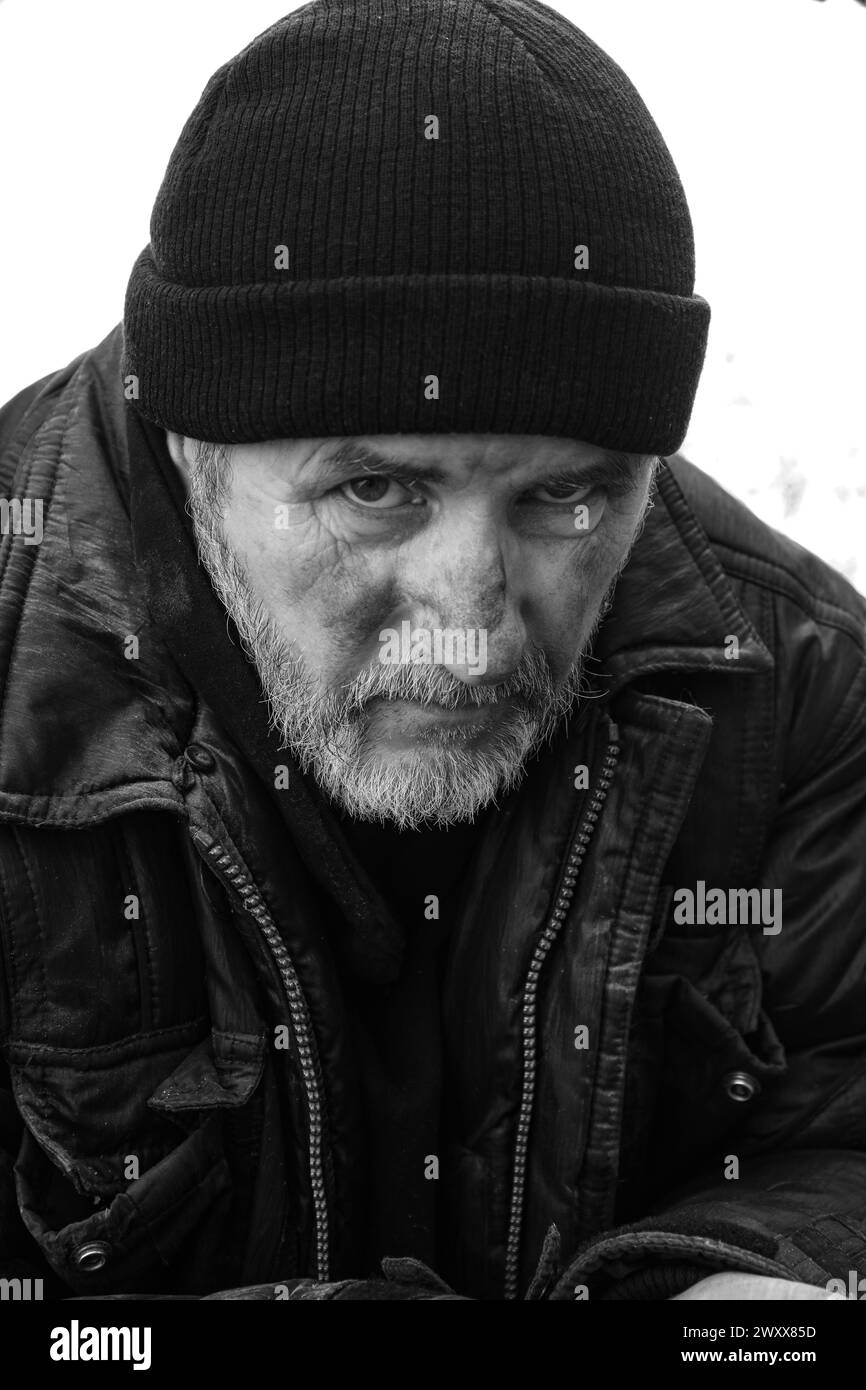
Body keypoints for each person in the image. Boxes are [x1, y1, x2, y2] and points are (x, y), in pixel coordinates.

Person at [0, 0, 863, 1302]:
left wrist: (748, 1287)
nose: (470, 621)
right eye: (374, 491)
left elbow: (841, 1103)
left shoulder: (790, 673)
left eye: (563, 496)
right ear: (190, 439)